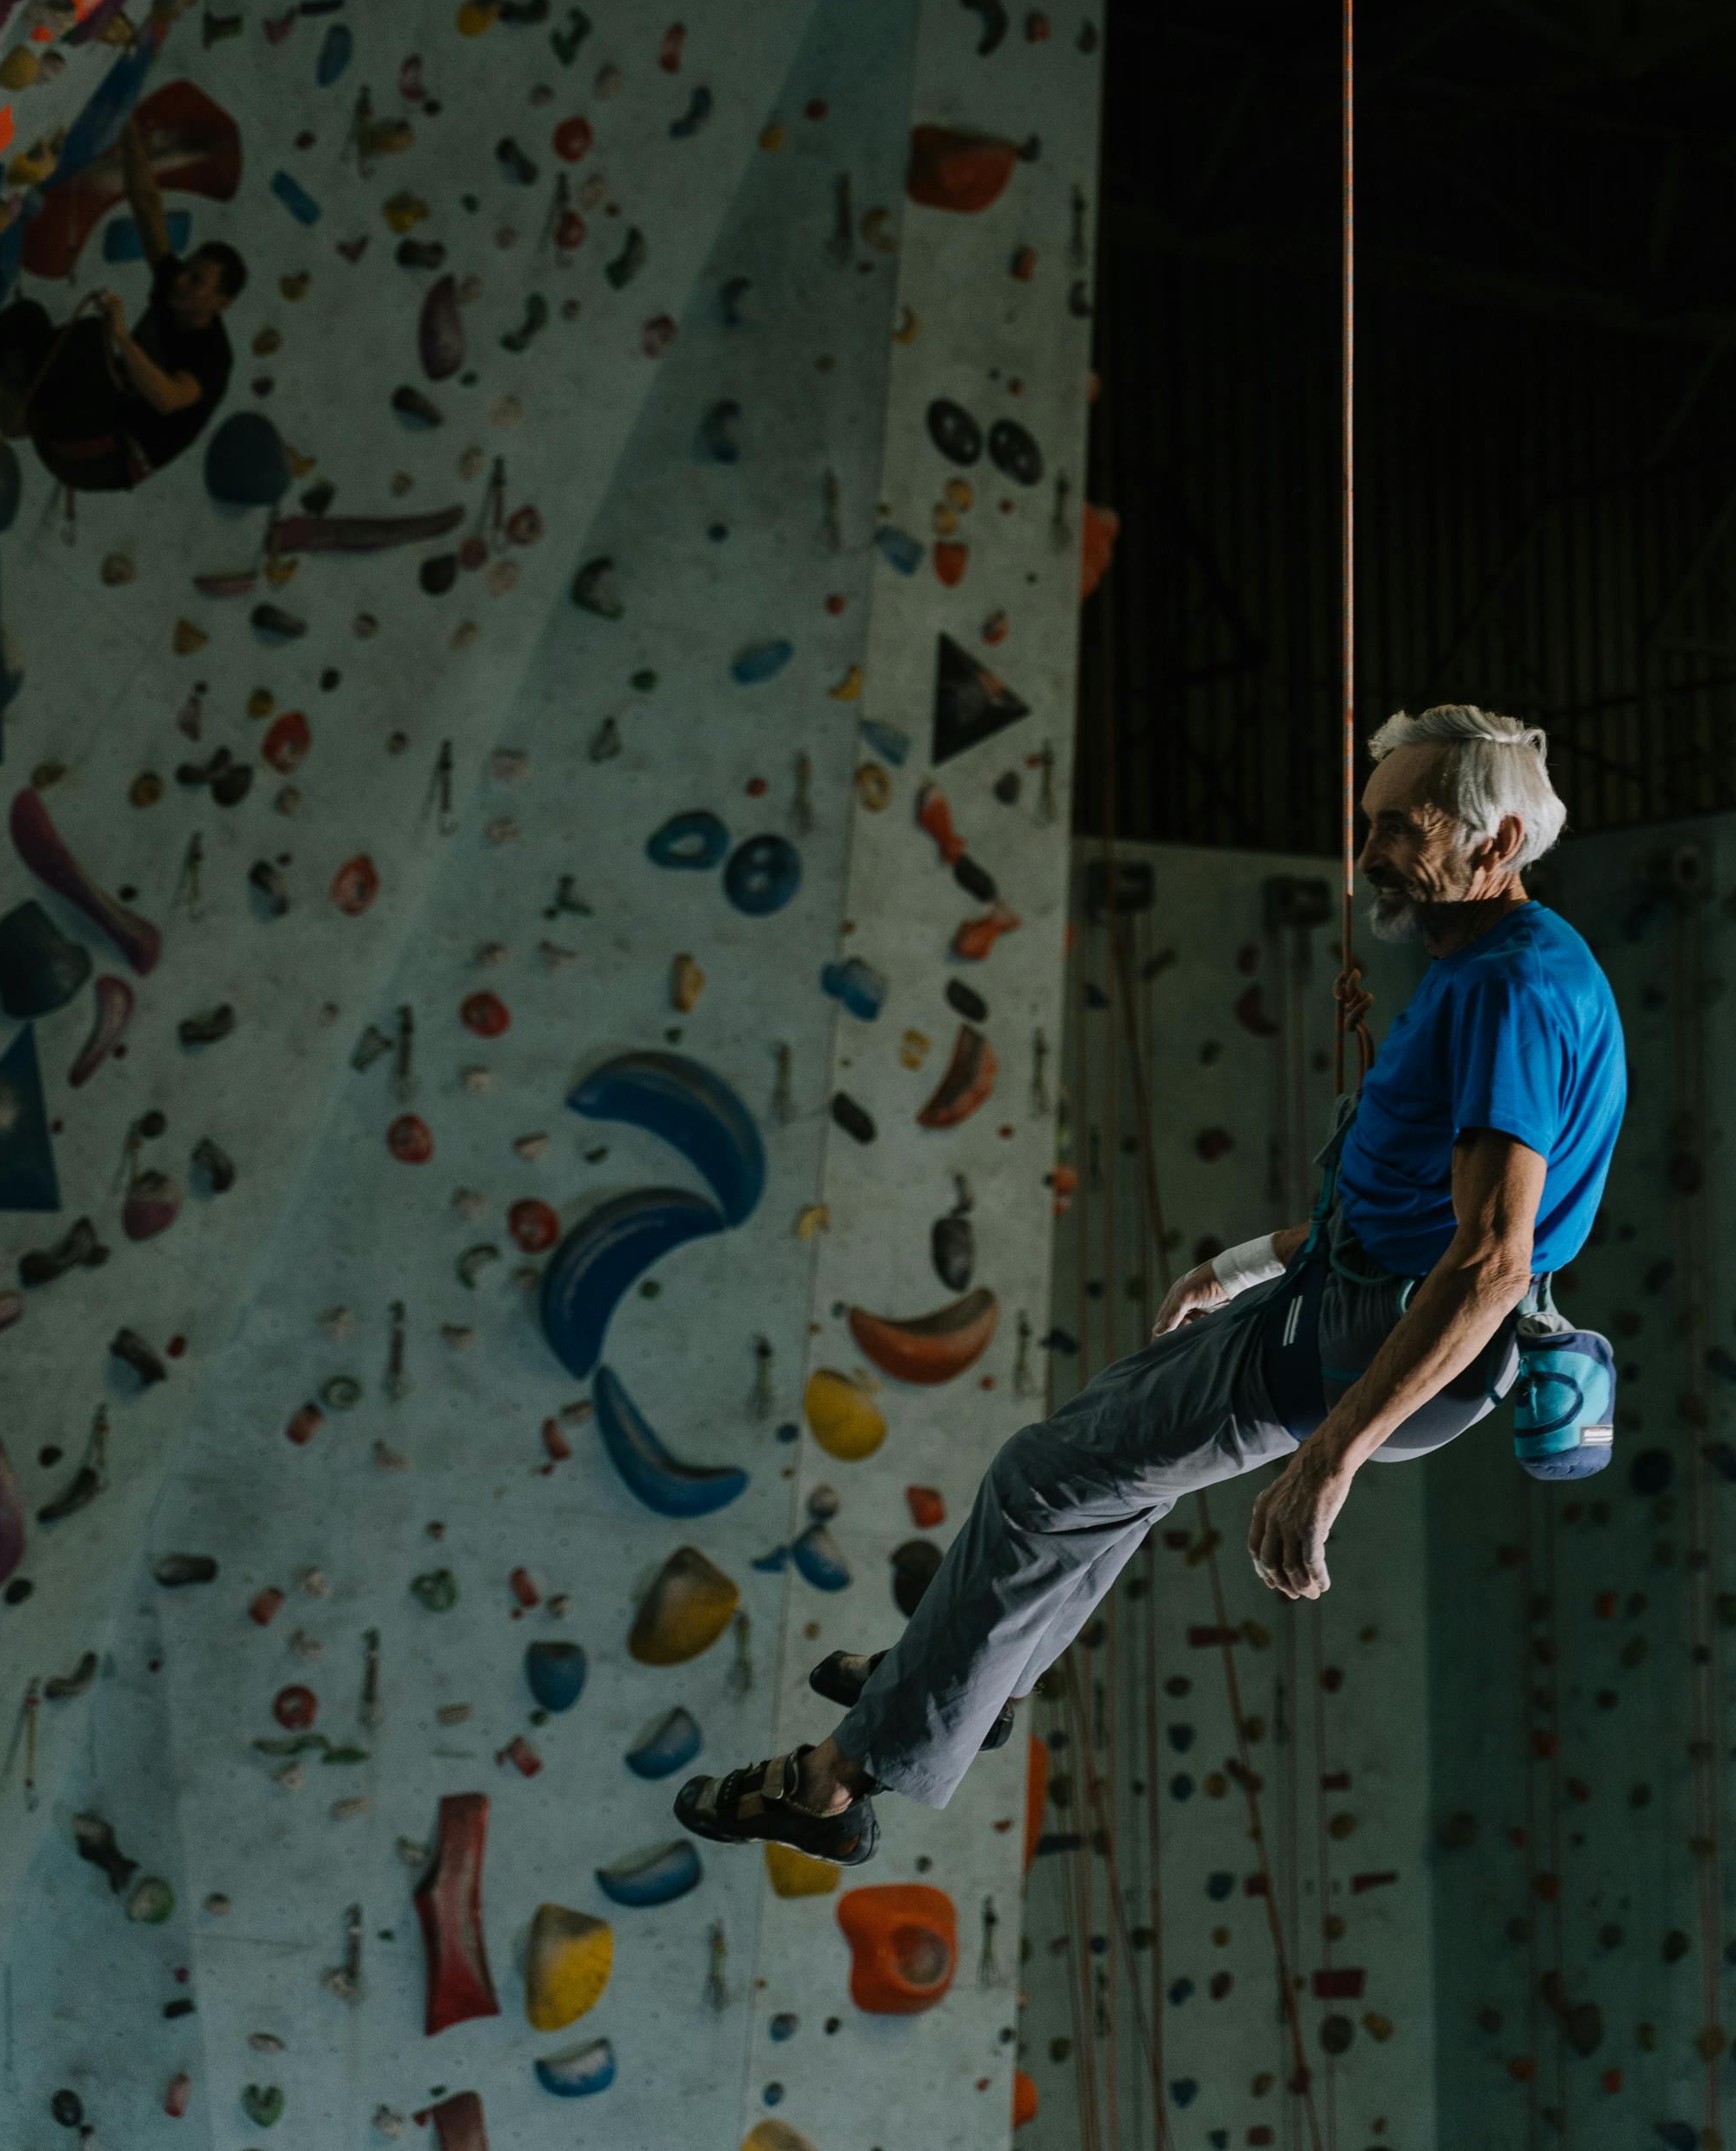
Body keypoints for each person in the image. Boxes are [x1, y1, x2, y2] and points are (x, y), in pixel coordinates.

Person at [674, 702, 1628, 1866]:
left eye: (1399, 829)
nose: (1367, 853)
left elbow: (1489, 1257)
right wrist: (1240, 1267)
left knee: (1046, 1480)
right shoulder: (1506, 965)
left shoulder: (1509, 991)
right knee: (1083, 1462)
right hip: (1344, 1301)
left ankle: (834, 1785)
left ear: (1498, 845)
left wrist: (1329, 1460)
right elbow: (1400, 1195)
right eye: (1367, 824)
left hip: (1370, 1339)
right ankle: (953, 1668)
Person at [0, 117, 243, 491]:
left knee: (89, 339)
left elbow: (170, 398)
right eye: (187, 269)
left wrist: (122, 338)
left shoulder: (211, 357)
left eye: (197, 281)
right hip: (94, 412)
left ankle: (18, 403)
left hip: (104, 457)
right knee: (25, 321)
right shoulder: (173, 289)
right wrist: (128, 133)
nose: (180, 279)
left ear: (220, 303)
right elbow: (147, 206)